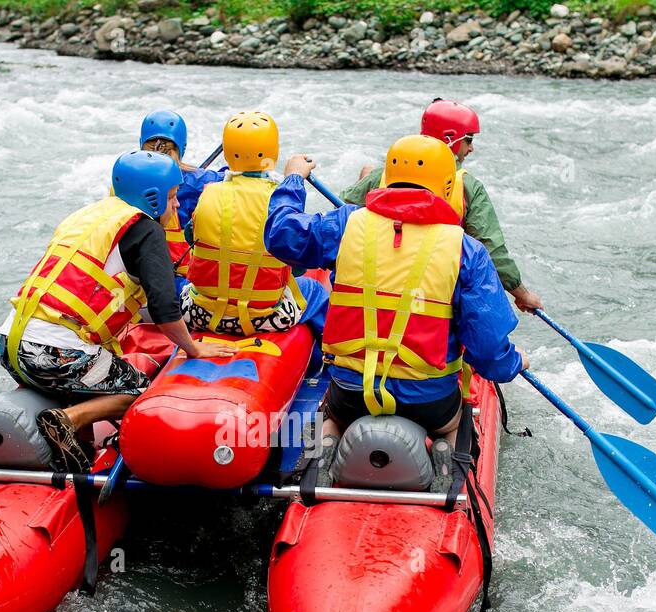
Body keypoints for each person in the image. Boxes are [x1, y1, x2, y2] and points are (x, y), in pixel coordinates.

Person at [265, 135, 529, 492]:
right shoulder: (466, 250)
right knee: (455, 421)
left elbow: (282, 235)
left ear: (386, 177)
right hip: (430, 401)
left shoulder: (348, 224)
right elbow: (488, 353)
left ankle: (321, 452)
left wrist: (292, 180)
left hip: (350, 392)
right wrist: (515, 363)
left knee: (332, 414)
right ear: (447, 186)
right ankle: (449, 469)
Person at [0, 150, 234, 469]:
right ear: (152, 199)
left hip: (9, 346)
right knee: (144, 391)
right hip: (56, 355)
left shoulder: (87, 216)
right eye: (172, 198)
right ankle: (67, 420)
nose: (178, 205)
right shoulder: (146, 230)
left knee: (87, 373)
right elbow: (165, 308)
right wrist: (193, 349)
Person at [340, 98, 544, 315]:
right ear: (450, 140)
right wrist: (522, 294)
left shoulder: (384, 173)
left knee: (366, 170)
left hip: (375, 280)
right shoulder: (468, 187)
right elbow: (490, 248)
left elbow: (344, 213)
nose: (472, 147)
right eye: (469, 139)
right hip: (433, 293)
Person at [175, 110, 328, 336]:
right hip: (265, 316)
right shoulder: (281, 202)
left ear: (227, 155)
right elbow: (297, 268)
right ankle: (320, 361)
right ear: (273, 153)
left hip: (199, 312)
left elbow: (191, 238)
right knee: (315, 289)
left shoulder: (208, 193)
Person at [138, 109, 197, 282]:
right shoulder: (195, 181)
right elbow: (234, 178)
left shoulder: (128, 179)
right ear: (181, 147)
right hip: (178, 281)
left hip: (137, 278)